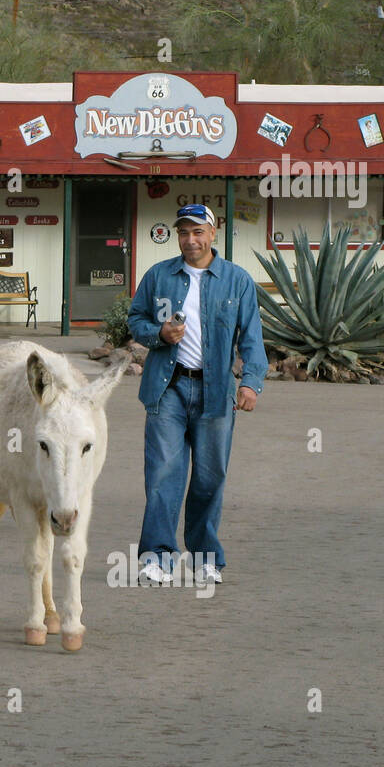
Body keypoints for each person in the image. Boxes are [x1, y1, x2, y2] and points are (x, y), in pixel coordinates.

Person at [126, 205, 267, 585]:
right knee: (162, 474)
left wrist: (251, 382)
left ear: (213, 232)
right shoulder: (159, 276)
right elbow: (135, 320)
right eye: (184, 232)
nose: (191, 239)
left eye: (198, 231)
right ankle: (158, 556)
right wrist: (159, 334)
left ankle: (205, 557)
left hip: (216, 391)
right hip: (166, 388)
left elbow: (252, 337)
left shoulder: (236, 280)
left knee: (210, 476)